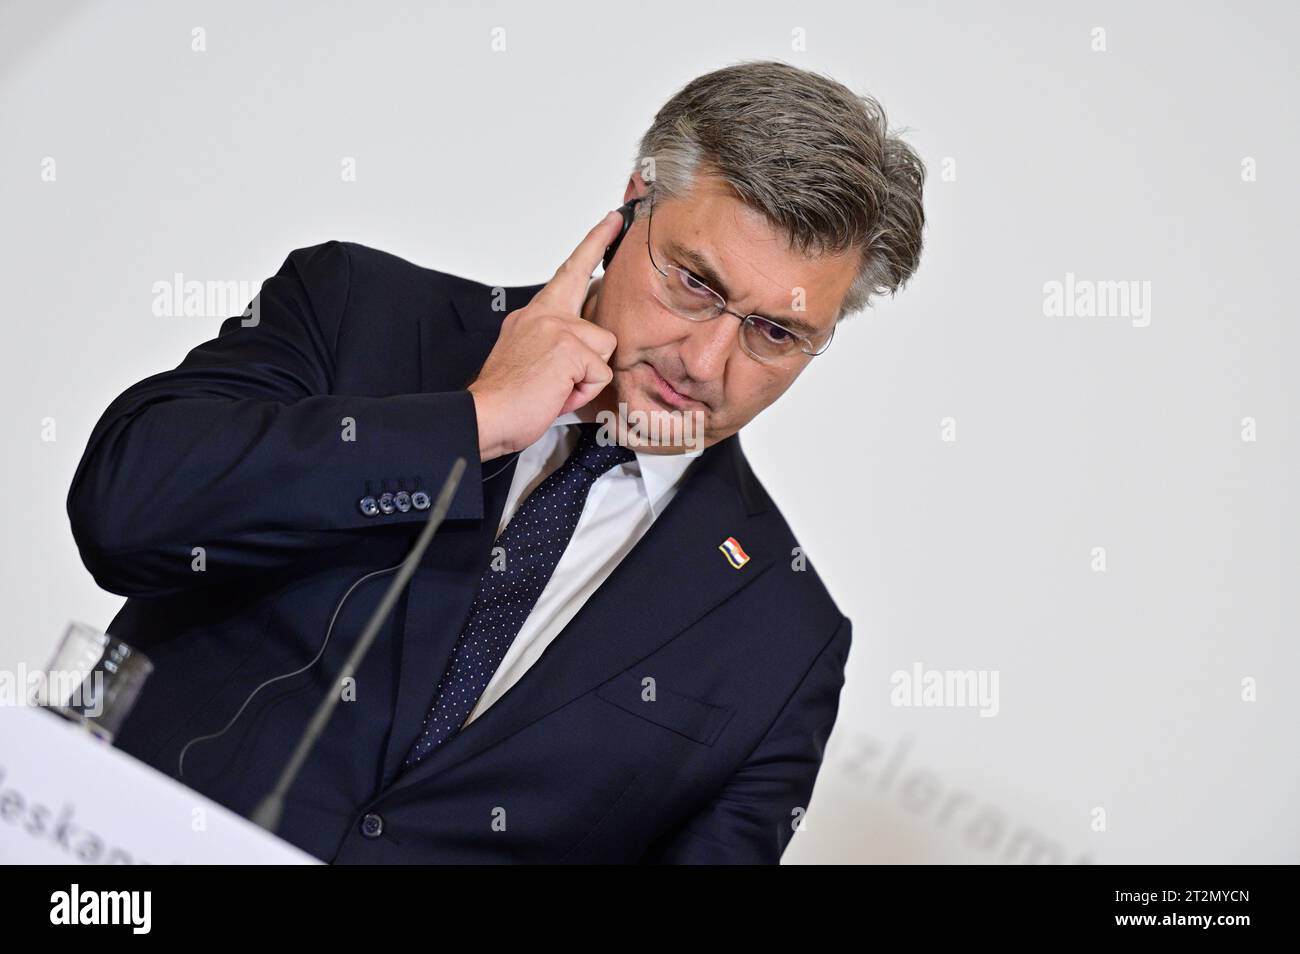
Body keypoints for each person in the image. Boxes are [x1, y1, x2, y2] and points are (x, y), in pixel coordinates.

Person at [66, 60, 926, 863]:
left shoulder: (785, 640)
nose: (704, 363)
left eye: (776, 333)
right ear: (631, 209)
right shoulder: (361, 312)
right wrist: (470, 421)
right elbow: (123, 511)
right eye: (695, 284)